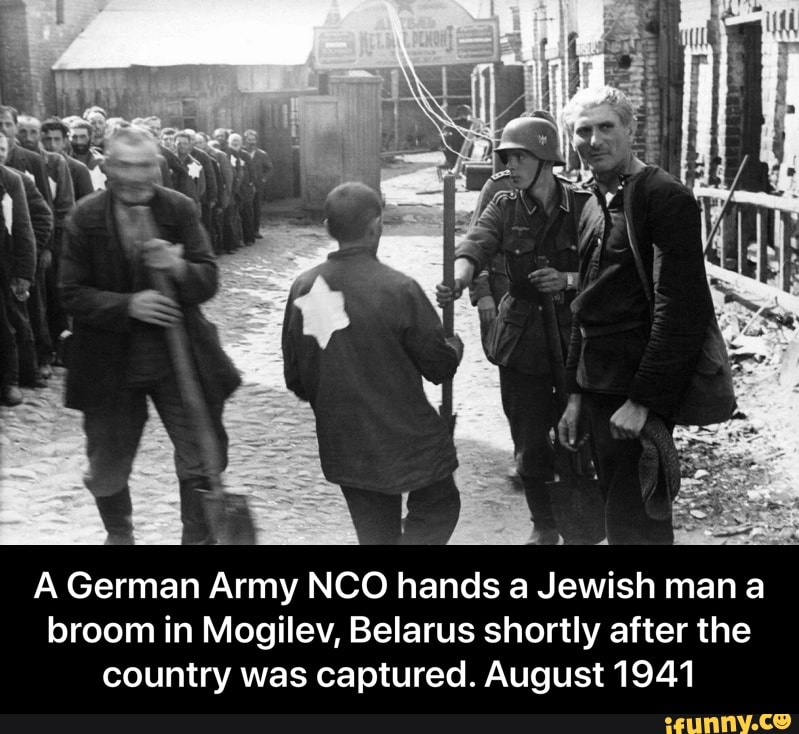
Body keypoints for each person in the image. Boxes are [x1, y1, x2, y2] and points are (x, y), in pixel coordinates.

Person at [58, 126, 241, 545]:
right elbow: (70, 293)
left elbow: (208, 278)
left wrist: (177, 268)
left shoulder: (178, 208)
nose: (138, 175)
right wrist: (128, 305)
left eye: (146, 165)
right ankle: (119, 535)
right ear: (107, 165)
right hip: (109, 359)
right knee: (106, 463)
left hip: (179, 357)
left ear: (157, 167)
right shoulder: (85, 217)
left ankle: (197, 541)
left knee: (202, 455)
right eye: (126, 165)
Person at [557, 85, 713, 545]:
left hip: (637, 394)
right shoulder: (592, 203)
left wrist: (644, 403)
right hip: (599, 389)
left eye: (607, 127)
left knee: (638, 529)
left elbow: (681, 311)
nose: (595, 140)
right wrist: (574, 394)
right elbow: (585, 308)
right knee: (615, 521)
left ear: (630, 130)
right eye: (583, 131)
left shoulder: (664, 198)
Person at [435, 112, 587, 545]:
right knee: (528, 436)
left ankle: (582, 519)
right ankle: (544, 526)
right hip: (522, 340)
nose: (509, 166)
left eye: (518, 157)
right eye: (506, 157)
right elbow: (475, 246)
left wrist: (568, 280)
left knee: (577, 431)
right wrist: (460, 279)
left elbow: (607, 269)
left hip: (573, 336)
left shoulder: (582, 205)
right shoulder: (504, 205)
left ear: (543, 158)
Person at [282, 181, 463, 545]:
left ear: (328, 228)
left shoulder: (304, 287)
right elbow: (438, 366)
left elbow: (296, 377)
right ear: (376, 226)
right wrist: (454, 347)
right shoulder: (399, 289)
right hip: (406, 438)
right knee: (440, 504)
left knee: (375, 535)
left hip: (346, 441)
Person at [0, 135, 38, 406]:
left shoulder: (11, 181)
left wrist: (24, 273)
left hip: (4, 263)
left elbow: (23, 229)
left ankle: (10, 381)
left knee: (8, 324)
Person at [242, 129, 273, 238]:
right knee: (245, 208)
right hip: (244, 186)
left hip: (257, 186)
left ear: (256, 141)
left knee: (256, 208)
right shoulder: (241, 153)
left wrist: (263, 179)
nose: (251, 142)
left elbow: (269, 169)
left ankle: (255, 230)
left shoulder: (261, 154)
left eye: (253, 139)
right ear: (245, 141)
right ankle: (245, 231)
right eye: (249, 140)